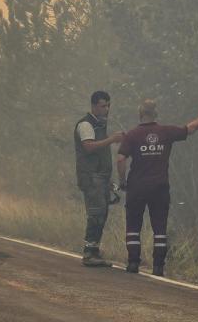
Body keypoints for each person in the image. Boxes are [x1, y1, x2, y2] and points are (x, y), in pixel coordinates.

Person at [117, 99, 198, 276]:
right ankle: (158, 266)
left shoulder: (132, 135)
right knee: (159, 227)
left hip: (137, 187)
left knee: (133, 226)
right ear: (156, 114)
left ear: (140, 114)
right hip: (159, 187)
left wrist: (122, 181)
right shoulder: (166, 132)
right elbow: (190, 129)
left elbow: (120, 159)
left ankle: (133, 263)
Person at [75, 90, 124, 267]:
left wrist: (108, 181)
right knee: (96, 214)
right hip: (91, 176)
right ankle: (89, 252)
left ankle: (94, 250)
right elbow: (88, 147)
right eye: (103, 106)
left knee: (102, 213)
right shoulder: (86, 125)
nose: (107, 109)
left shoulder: (99, 125)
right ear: (94, 106)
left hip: (101, 177)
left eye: (108, 105)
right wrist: (112, 139)